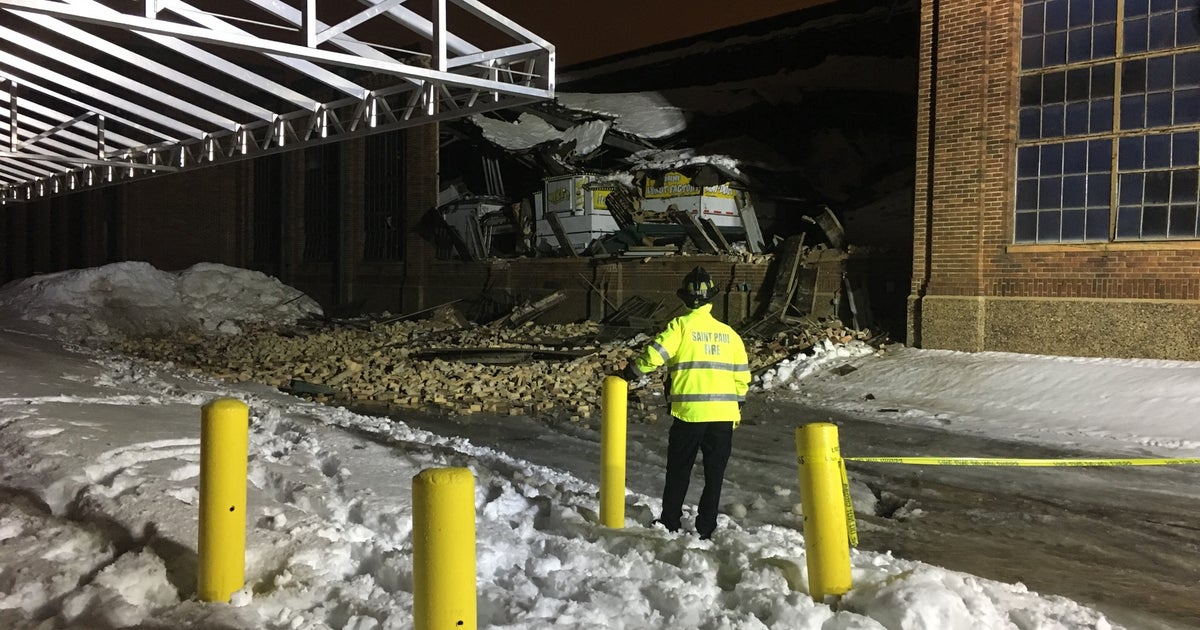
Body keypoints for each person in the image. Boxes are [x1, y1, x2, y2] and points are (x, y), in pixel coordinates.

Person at [622, 266, 751, 540]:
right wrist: (735, 408)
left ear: (683, 298)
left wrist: (629, 374)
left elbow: (655, 355)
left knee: (679, 471)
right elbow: (742, 378)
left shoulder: (680, 327)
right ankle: (706, 527)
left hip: (689, 416)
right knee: (715, 476)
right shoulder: (730, 334)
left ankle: (670, 521)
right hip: (723, 417)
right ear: (711, 299)